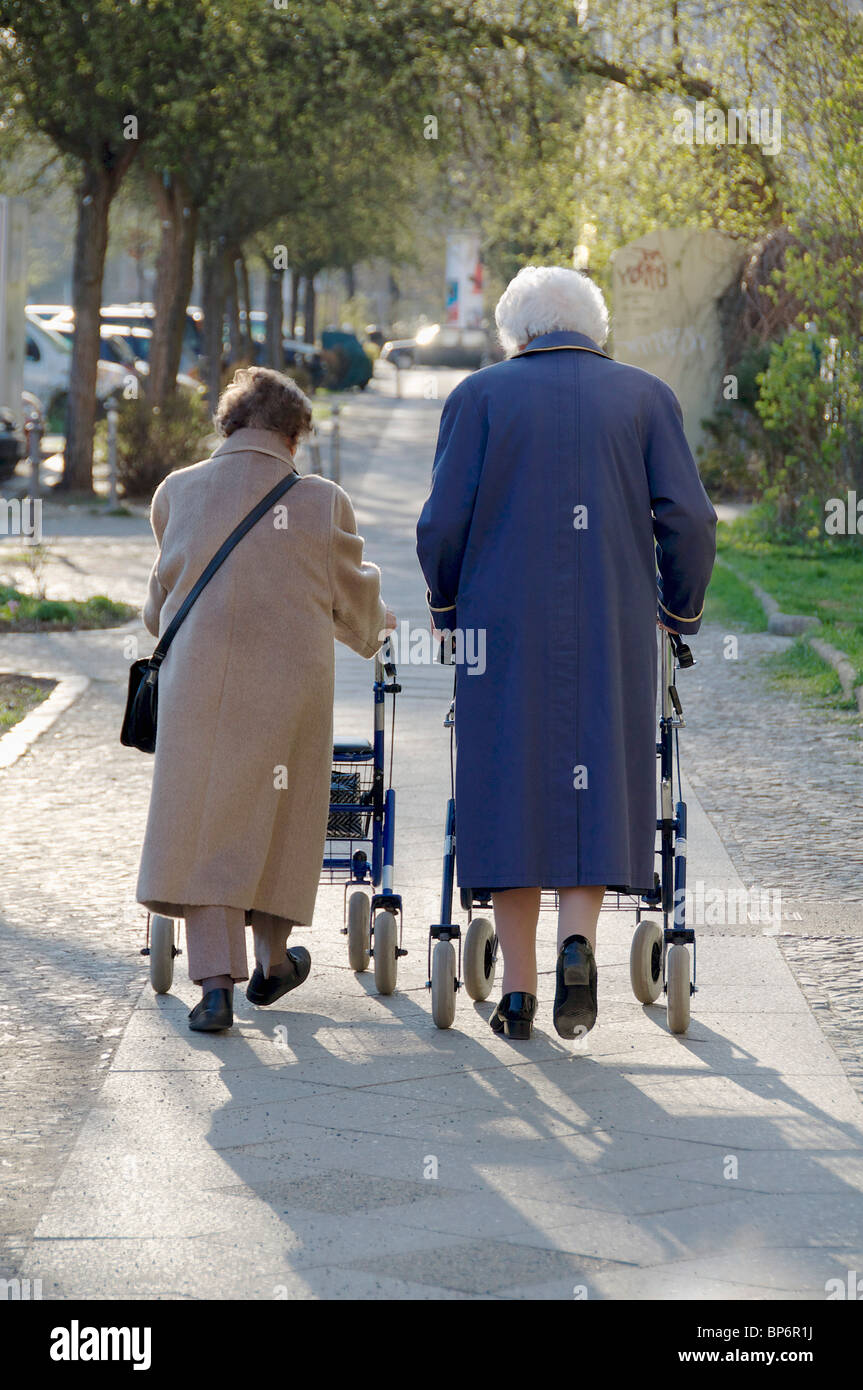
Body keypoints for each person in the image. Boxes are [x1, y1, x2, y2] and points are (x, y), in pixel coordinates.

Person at [417, 265, 716, 1042]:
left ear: (515, 330)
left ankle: (516, 993)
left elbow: (441, 523)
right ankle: (576, 944)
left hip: (499, 623)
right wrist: (676, 610)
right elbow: (688, 518)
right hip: (610, 619)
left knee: (505, 780)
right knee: (595, 774)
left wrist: (445, 607)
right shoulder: (646, 397)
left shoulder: (477, 398)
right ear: (595, 327)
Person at [137, 366, 395, 1032]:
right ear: (293, 432)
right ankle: (273, 959)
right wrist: (375, 628)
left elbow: (157, 608)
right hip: (290, 687)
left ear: (227, 423)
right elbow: (352, 601)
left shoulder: (177, 491)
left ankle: (215, 984)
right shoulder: (319, 500)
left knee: (205, 819)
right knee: (282, 815)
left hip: (194, 684)